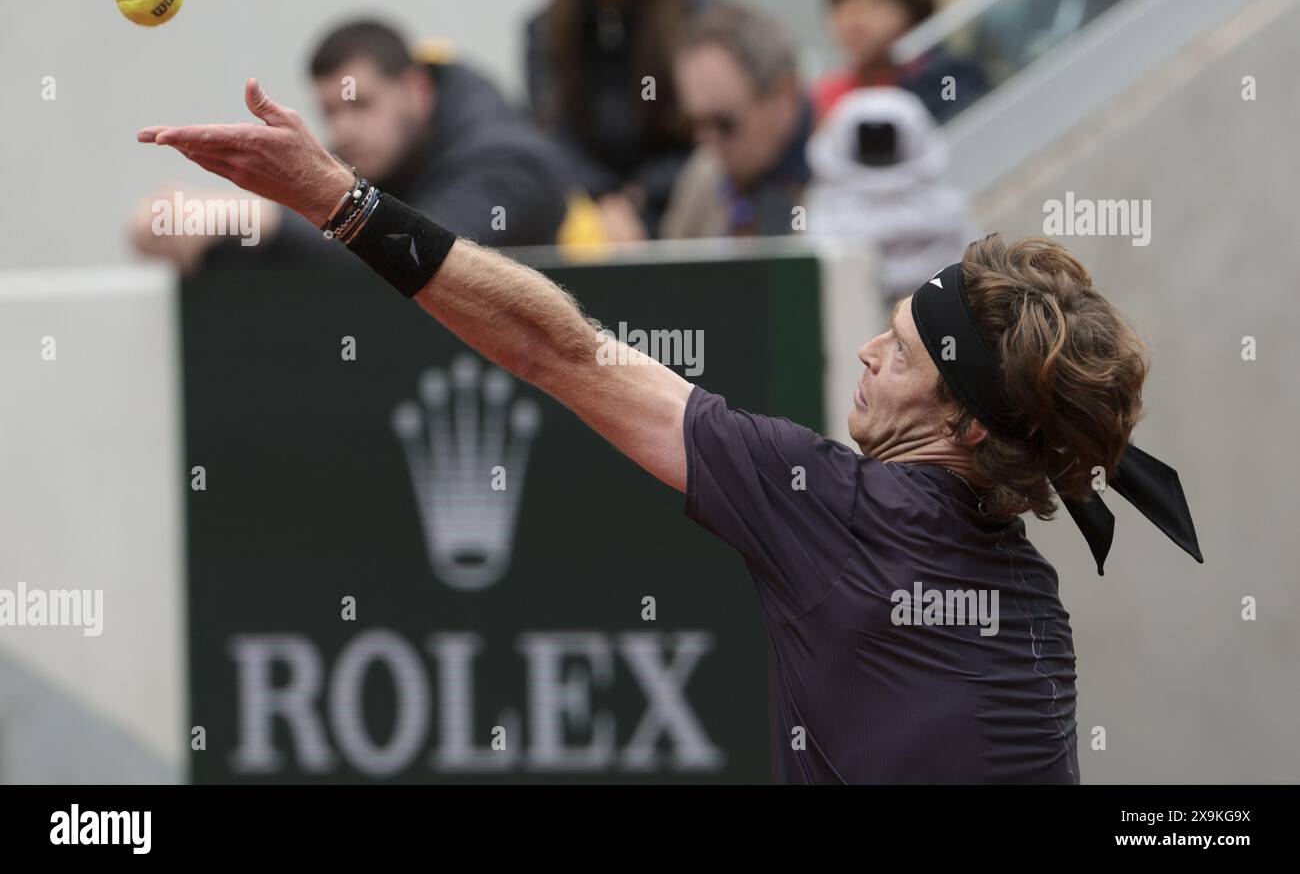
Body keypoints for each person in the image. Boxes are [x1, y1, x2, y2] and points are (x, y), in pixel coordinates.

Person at [138, 79, 1202, 783]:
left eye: (903, 354)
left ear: (965, 423)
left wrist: (339, 198)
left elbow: (557, 347)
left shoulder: (830, 507)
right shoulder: (1034, 605)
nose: (872, 358)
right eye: (883, 332)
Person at [131, 20, 571, 272]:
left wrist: (255, 218)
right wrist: (207, 231)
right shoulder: (387, 152)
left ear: (417, 91)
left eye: (361, 105)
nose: (343, 132)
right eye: (331, 112)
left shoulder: (510, 164)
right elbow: (335, 238)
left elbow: (424, 259)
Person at [526, 0, 706, 242]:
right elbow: (550, 133)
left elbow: (710, 135)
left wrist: (640, 195)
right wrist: (603, 198)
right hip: (583, 210)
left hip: (683, 203)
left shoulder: (702, 18)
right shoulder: (545, 29)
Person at [804, 86, 979, 305]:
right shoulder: (828, 210)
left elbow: (971, 278)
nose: (877, 141)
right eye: (869, 135)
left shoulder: (945, 209)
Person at [660, 3, 813, 240]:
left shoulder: (846, 174)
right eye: (690, 123)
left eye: (724, 123)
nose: (706, 140)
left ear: (785, 94)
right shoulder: (704, 175)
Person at [814, 0, 987, 124]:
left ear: (913, 10)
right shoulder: (827, 96)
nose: (853, 19)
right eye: (840, 3)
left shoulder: (948, 76)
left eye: (876, 2)